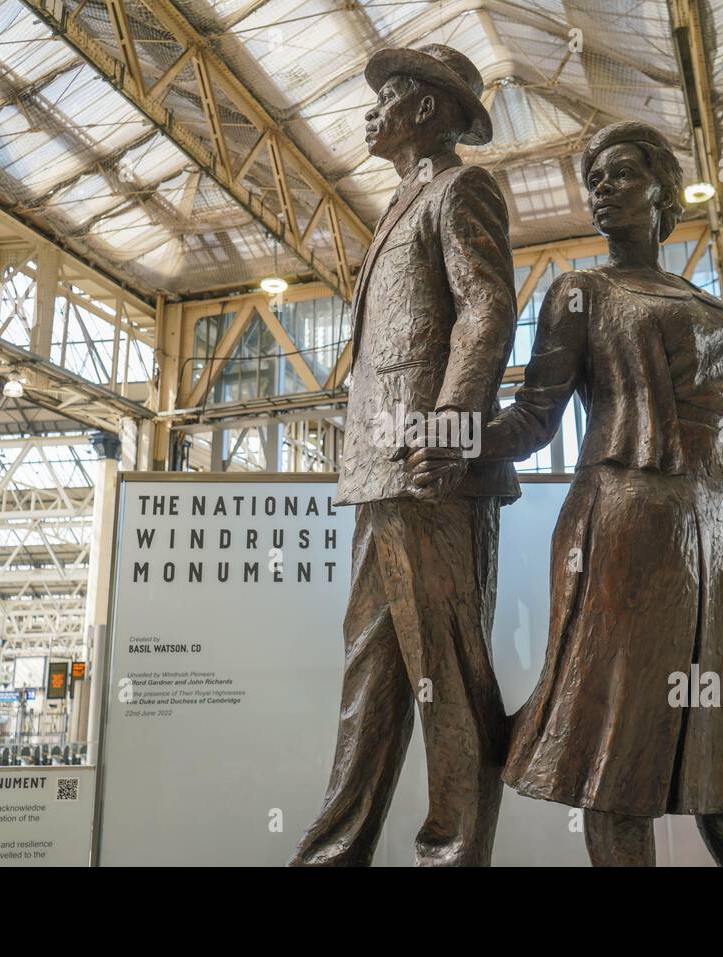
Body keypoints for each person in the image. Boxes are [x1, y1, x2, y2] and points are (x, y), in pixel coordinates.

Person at [411, 120, 723, 866]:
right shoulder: (579, 293)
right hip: (621, 528)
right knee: (617, 759)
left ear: (664, 191)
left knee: (722, 758)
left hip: (712, 540)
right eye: (595, 180)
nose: (603, 189)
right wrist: (448, 438)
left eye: (623, 174)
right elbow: (534, 418)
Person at [292, 44, 519, 867]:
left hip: (432, 471)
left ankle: (453, 854)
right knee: (372, 678)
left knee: (449, 680)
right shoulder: (403, 201)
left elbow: (487, 309)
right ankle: (334, 852)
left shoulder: (462, 188)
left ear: (426, 108)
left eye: (386, 97)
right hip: (384, 472)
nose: (370, 111)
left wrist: (452, 431)